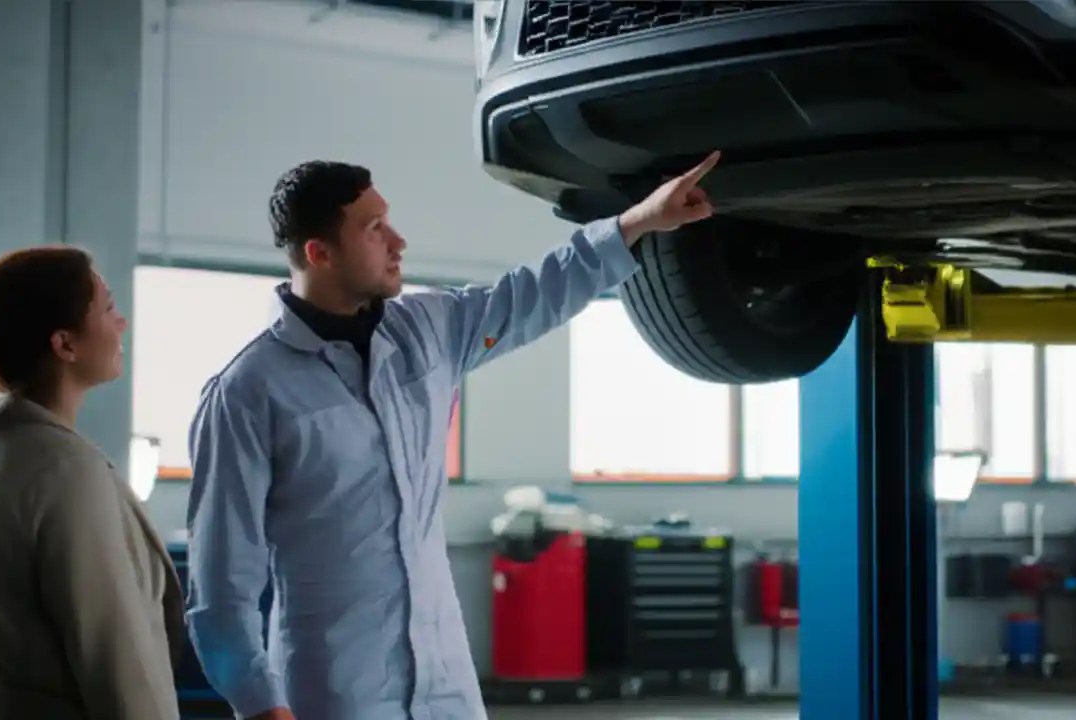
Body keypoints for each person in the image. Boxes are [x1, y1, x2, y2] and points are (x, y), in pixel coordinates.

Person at [186, 151, 722, 720]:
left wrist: (637, 221)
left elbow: (534, 293)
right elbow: (222, 586)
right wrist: (260, 705)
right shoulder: (248, 392)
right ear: (318, 253)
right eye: (374, 229)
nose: (399, 241)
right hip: (336, 691)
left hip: (447, 683)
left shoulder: (429, 330)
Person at [0, 247, 185, 720]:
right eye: (109, 308)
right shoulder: (64, 469)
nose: (122, 323)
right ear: (64, 344)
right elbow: (114, 657)